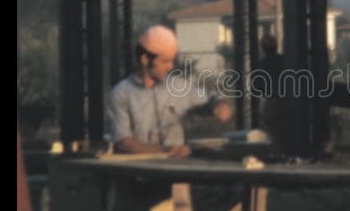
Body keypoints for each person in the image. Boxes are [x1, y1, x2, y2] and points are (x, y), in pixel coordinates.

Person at [107, 25, 232, 156]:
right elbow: (123, 142)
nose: (170, 66)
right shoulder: (121, 93)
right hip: (139, 171)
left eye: (172, 60)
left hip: (177, 170)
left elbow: (212, 99)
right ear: (145, 59)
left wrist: (220, 105)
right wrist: (165, 151)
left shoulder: (178, 86)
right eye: (165, 61)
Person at [253, 35, 286, 153]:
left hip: (272, 101)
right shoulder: (285, 61)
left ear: (263, 48)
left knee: (272, 129)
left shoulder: (261, 65)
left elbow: (257, 87)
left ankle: (276, 152)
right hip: (290, 100)